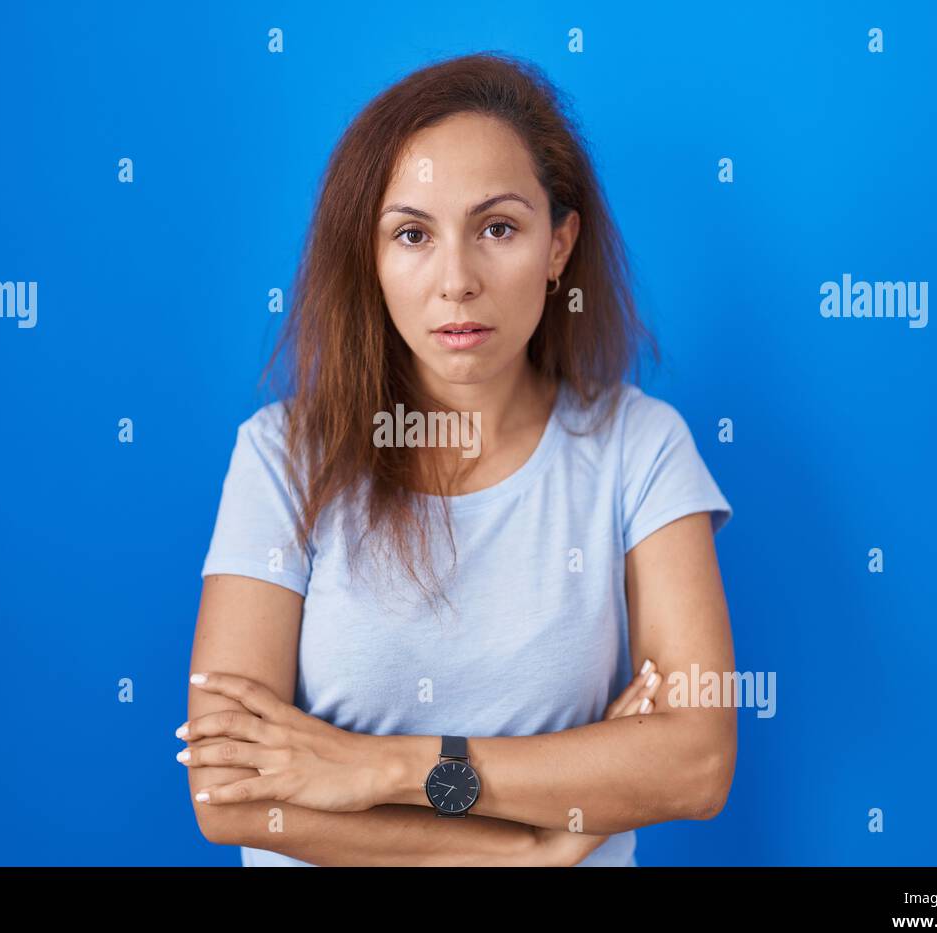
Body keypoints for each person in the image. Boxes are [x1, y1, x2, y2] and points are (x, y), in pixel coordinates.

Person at [179, 51, 736, 866]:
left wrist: (384, 766)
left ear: (559, 246)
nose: (457, 280)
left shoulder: (639, 446)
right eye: (411, 234)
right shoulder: (280, 457)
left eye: (498, 228)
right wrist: (513, 852)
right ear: (368, 258)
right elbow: (227, 795)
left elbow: (697, 762)